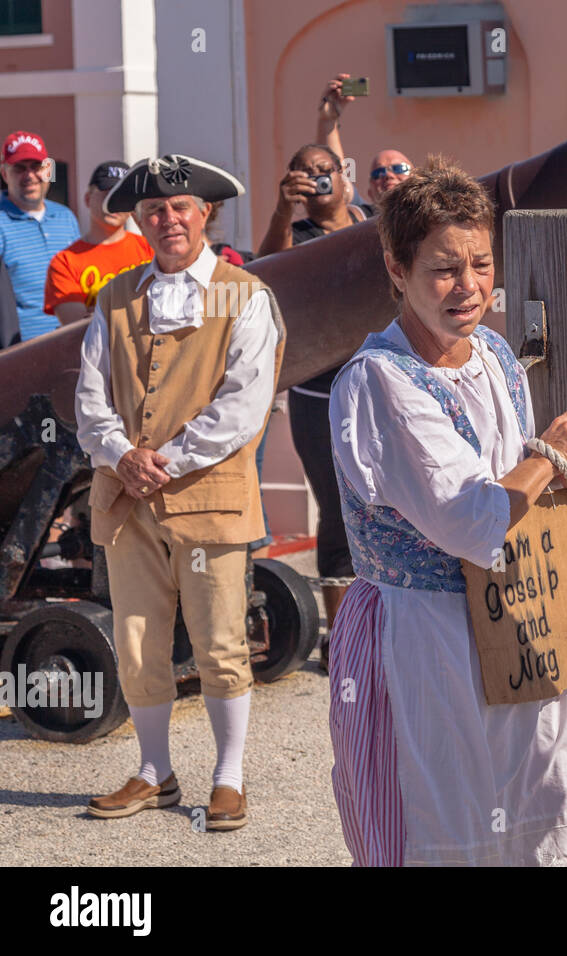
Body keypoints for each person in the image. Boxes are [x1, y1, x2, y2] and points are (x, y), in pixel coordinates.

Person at [328, 157, 567, 865]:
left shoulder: (493, 355)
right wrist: (550, 454)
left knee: (541, 805)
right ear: (397, 268)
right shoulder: (379, 383)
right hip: (423, 638)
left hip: (514, 615)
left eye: (481, 264)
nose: (470, 286)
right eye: (444, 269)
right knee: (446, 821)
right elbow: (468, 516)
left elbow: (520, 488)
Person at [75, 154, 284, 829]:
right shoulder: (116, 296)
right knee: (138, 640)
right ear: (140, 220)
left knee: (220, 640)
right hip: (126, 502)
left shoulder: (241, 294)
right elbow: (90, 400)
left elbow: (242, 405)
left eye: (181, 207)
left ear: (205, 215)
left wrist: (161, 459)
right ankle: (154, 771)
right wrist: (118, 455)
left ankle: (229, 776)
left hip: (210, 499)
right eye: (155, 210)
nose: (168, 218)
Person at [260, 143, 374, 668]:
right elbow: (268, 272)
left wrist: (331, 124)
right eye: (304, 175)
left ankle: (384, 621)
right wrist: (284, 209)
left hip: (377, 385)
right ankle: (343, 637)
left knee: (386, 500)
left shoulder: (368, 219)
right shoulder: (298, 233)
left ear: (343, 176)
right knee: (337, 506)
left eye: (324, 172)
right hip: (319, 393)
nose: (316, 182)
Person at [44, 161, 153, 326]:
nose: (113, 203)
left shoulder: (150, 248)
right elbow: (77, 329)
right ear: (88, 199)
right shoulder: (64, 262)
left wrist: (100, 312)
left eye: (122, 195)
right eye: (107, 194)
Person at [0, 130, 80, 340]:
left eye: (36, 167)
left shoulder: (65, 217)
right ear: (4, 173)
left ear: (47, 170)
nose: (29, 176)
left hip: (71, 341)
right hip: (20, 351)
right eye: (19, 168)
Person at [316, 73, 413, 204]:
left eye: (399, 168)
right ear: (370, 193)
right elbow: (339, 187)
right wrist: (328, 121)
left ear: (417, 178)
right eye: (378, 173)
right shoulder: (362, 217)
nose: (388, 176)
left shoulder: (437, 216)